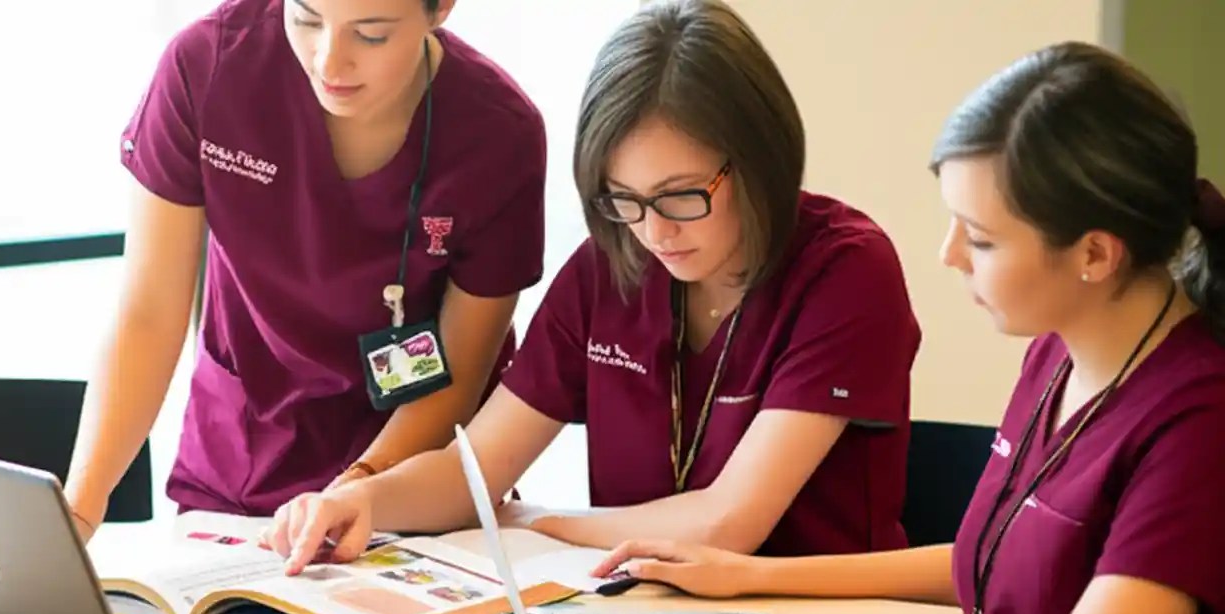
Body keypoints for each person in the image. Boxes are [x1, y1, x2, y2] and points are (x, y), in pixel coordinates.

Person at [592, 41, 1225, 614]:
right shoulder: (1058, 354)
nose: (948, 254)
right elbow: (993, 553)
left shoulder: (1198, 425)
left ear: (1095, 254)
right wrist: (752, 575)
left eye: (980, 238)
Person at [262, 0, 920, 572]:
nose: (654, 232)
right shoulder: (610, 266)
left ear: (760, 160)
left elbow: (729, 525)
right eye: (623, 200)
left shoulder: (847, 271)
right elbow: (475, 472)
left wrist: (533, 523)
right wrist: (363, 499)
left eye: (681, 196)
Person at [63, 0, 547, 542]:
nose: (328, 62)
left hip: (412, 494)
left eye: (371, 35)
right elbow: (148, 313)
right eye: (307, 19)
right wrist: (78, 509)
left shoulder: (499, 134)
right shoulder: (211, 65)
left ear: (441, 10)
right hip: (237, 471)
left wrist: (353, 494)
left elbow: (458, 373)